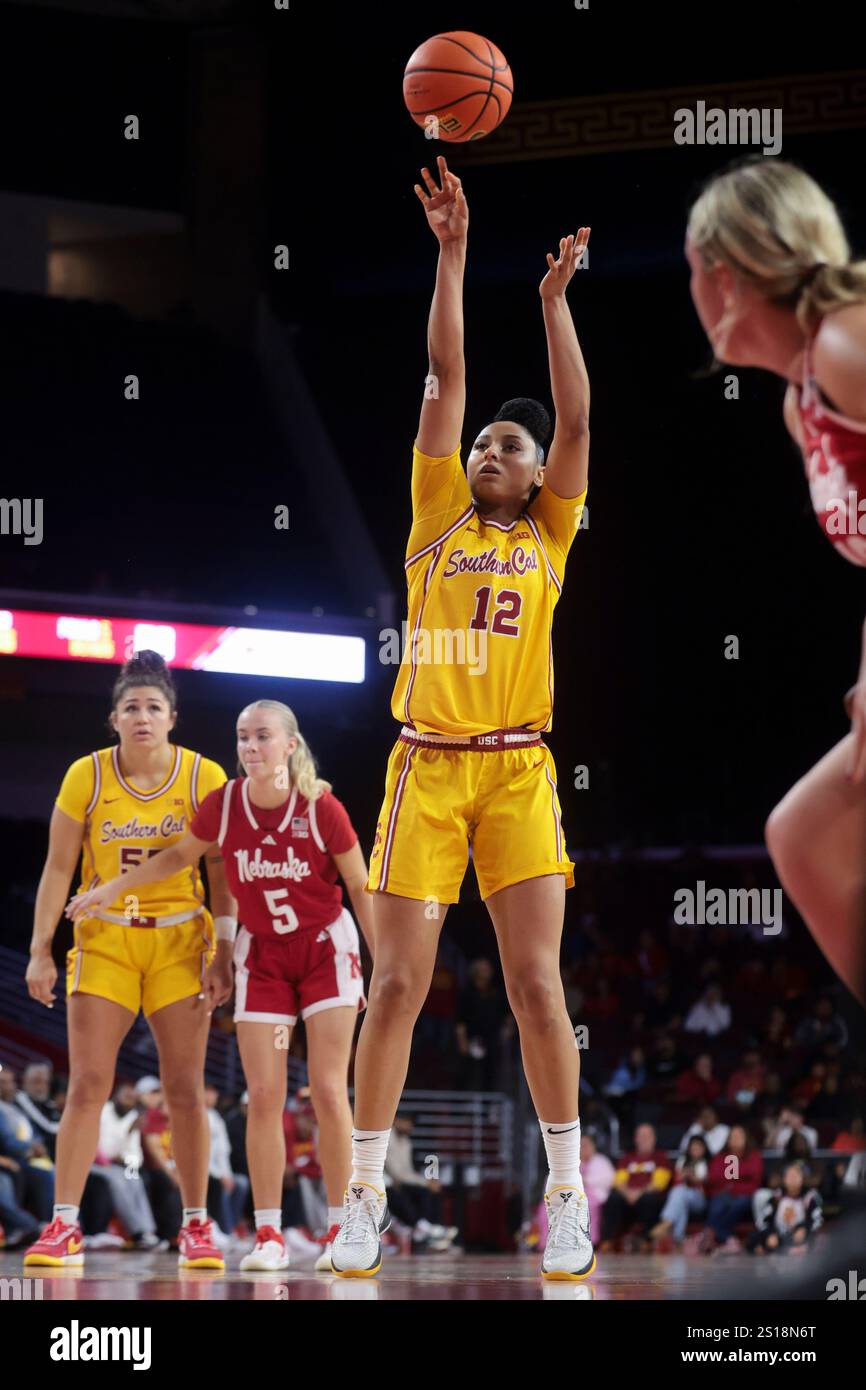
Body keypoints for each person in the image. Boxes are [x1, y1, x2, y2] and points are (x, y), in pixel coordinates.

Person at [332, 154, 593, 1283]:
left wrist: (550, 304)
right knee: (393, 985)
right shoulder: (433, 507)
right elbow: (444, 366)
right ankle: (361, 1196)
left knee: (539, 985)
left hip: (518, 773)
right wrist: (451, 253)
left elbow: (576, 410)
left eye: (512, 447)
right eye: (485, 440)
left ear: (539, 476)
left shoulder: (549, 533)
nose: (493, 449)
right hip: (426, 772)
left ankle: (569, 1196)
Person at [67, 699, 373, 1274]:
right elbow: (179, 857)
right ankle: (269, 1236)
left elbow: (361, 888)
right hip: (262, 957)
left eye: (262, 737)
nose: (250, 748)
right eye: (242, 738)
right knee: (264, 1096)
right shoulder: (224, 805)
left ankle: (344, 1228)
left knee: (330, 1091)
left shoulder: (320, 806)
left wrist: (389, 976)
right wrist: (111, 888)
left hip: (325, 951)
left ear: (289, 745)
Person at [686, 156, 866, 1007]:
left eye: (691, 272)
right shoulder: (805, 402)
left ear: (723, 277)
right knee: (804, 836)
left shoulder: (848, 342)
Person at [24, 650, 233, 1269]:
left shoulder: (205, 777)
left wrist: (223, 949)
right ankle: (63, 1224)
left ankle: (196, 1226)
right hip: (106, 939)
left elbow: (221, 872)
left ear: (173, 718)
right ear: (113, 719)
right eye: (131, 708)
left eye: (154, 707)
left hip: (179, 942)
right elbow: (59, 868)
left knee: (184, 1089)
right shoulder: (85, 775)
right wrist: (40, 950)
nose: (143, 716)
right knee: (88, 1083)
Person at [93, 1081, 161, 1249]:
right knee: (119, 1181)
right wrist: (128, 1133)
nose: (128, 1102)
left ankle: (148, 1231)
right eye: (125, 1097)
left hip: (120, 1165)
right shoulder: (103, 1112)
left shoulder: (132, 1117)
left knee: (135, 1179)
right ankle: (137, 1231)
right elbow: (104, 1151)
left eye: (132, 1099)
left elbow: (135, 1154)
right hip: (95, 1163)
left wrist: (129, 1162)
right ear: (116, 1096)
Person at [599, 1123, 673, 1251]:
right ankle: (607, 1241)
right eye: (641, 1136)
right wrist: (628, 1194)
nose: (643, 1139)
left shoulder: (661, 1158)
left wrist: (638, 1194)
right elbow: (619, 1181)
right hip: (627, 1198)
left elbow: (659, 1184)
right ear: (635, 1139)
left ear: (654, 1139)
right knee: (613, 1198)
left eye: (647, 1136)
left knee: (649, 1200)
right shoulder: (627, 1158)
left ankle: (648, 1241)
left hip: (648, 1198)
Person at [700, 1124, 764, 1254]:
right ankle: (726, 1238)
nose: (735, 1139)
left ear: (746, 1139)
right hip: (724, 1194)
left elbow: (755, 1178)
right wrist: (737, 1178)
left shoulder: (753, 1156)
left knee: (736, 1204)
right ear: (728, 1140)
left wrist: (733, 1180)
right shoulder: (720, 1157)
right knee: (718, 1202)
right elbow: (713, 1178)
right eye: (732, 1136)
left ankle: (714, 1235)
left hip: (745, 1195)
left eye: (739, 1136)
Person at [747, 1161, 823, 1254]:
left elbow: (817, 1220)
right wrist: (770, 1234)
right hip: (779, 1235)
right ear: (784, 1180)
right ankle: (771, 1247)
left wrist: (804, 1229)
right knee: (754, 1237)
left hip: (800, 1235)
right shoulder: (776, 1197)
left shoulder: (809, 1198)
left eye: (795, 1176)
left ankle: (793, 1248)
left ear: (802, 1179)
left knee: (818, 1240)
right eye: (790, 1177)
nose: (792, 1180)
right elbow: (764, 1221)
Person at [650, 1136, 710, 1249]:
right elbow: (676, 1180)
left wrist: (692, 1177)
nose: (695, 1148)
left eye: (699, 1146)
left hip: (699, 1199)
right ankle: (678, 1240)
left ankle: (665, 1223)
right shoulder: (682, 1161)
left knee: (679, 1193)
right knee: (681, 1199)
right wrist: (684, 1175)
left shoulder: (708, 1162)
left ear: (704, 1148)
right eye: (693, 1146)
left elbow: (707, 1183)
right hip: (683, 1196)